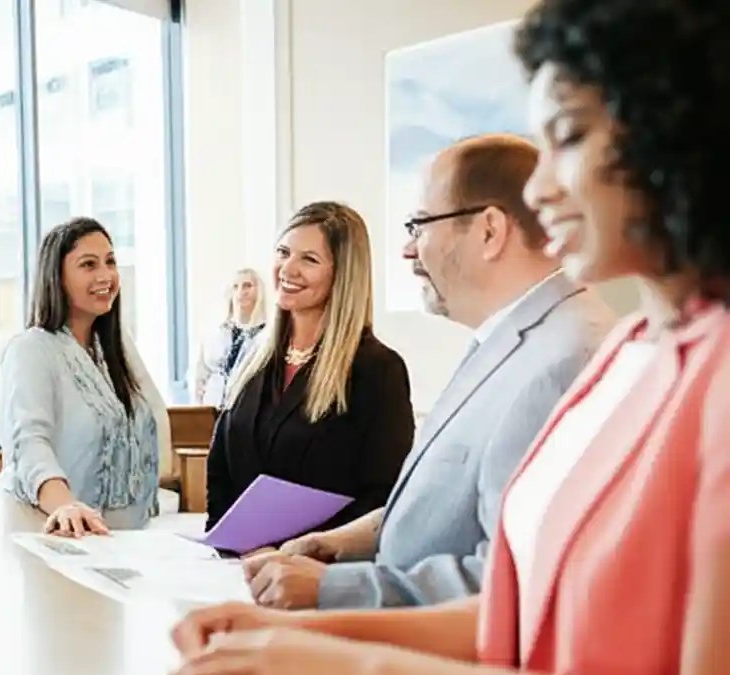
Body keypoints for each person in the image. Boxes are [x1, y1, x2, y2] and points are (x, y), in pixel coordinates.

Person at [170, 1, 730, 675]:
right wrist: (311, 636)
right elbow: (522, 609)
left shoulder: (680, 367)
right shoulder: (633, 349)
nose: (540, 191)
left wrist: (371, 669)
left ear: (674, 133)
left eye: (568, 137)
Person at [242, 135, 615, 610]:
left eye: (418, 225)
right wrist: (345, 541)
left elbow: (511, 581)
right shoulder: (507, 340)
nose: (407, 250)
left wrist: (331, 587)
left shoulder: (566, 358)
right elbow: (453, 509)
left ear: (489, 231)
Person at [204, 202, 414, 535]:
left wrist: (303, 550)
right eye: (283, 252)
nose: (288, 269)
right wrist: (228, 544)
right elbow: (220, 471)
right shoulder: (254, 358)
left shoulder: (377, 369)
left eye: (309, 259)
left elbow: (382, 497)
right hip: (239, 557)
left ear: (342, 275)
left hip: (318, 562)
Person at [0, 217, 172, 535]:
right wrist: (64, 505)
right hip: (57, 535)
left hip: (120, 542)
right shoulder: (32, 349)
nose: (105, 276)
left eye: (110, 262)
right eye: (88, 265)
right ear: (57, 277)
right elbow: (29, 443)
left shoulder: (116, 347)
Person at [191, 268, 267, 406]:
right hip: (212, 407)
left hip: (247, 407)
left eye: (247, 286)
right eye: (235, 287)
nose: (241, 292)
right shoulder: (214, 333)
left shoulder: (266, 336)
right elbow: (200, 376)